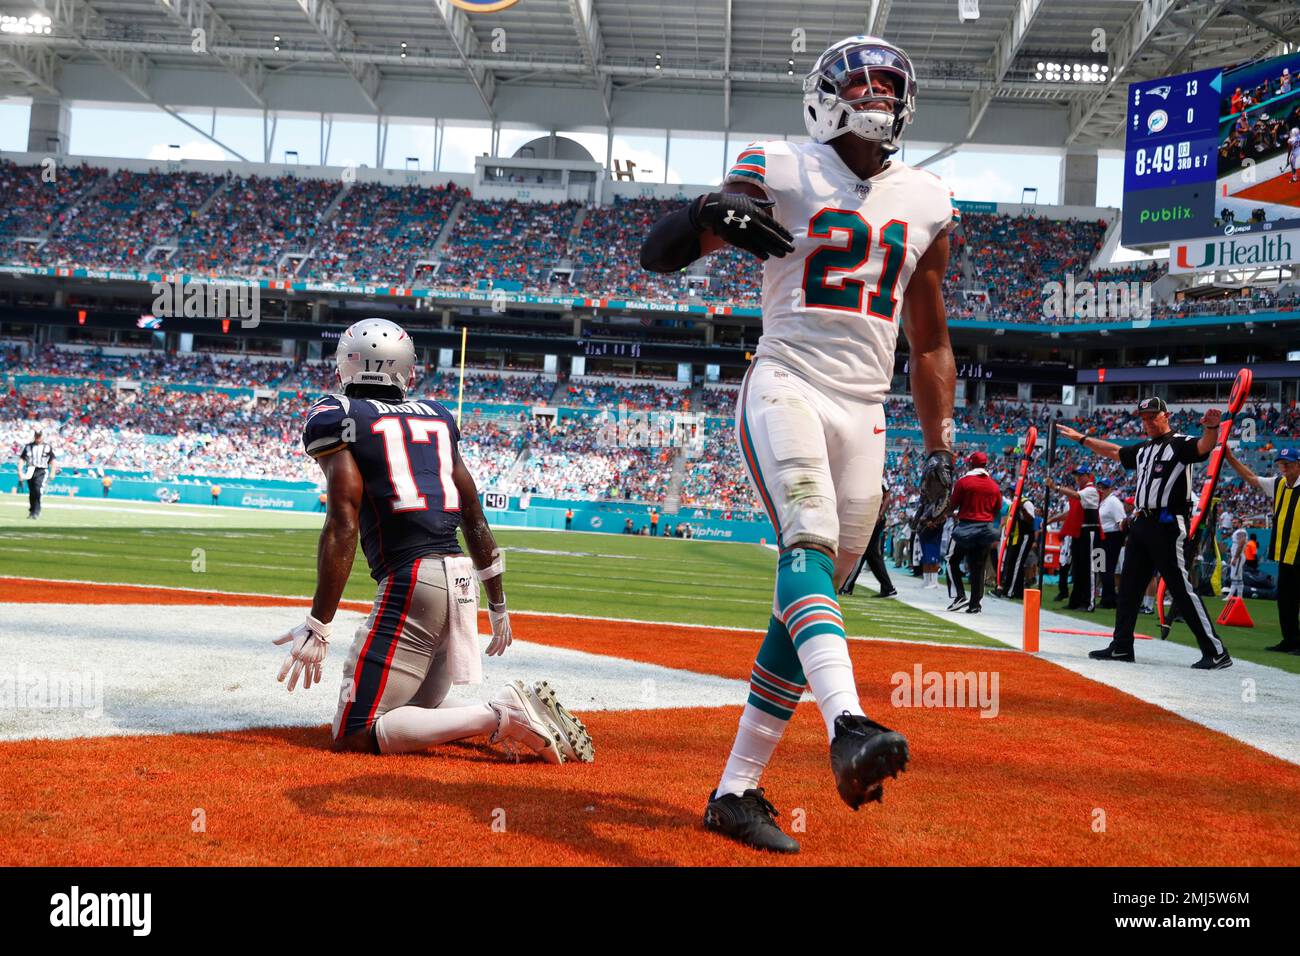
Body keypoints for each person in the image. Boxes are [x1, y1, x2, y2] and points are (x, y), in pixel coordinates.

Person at [642, 34, 955, 852]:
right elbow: (660, 256)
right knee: (807, 542)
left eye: (891, 86)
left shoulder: (927, 199)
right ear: (824, 97)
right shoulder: (779, 163)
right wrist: (705, 213)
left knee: (809, 593)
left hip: (868, 408)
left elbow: (929, 343)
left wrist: (941, 445)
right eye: (865, 84)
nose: (880, 97)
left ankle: (734, 793)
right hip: (787, 379)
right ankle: (847, 722)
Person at [273, 318, 594, 762]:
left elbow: (343, 521)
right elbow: (473, 515)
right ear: (407, 369)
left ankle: (501, 715)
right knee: (412, 711)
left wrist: (318, 624)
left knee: (355, 732)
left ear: (345, 366)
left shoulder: (338, 415)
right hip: (460, 579)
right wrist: (497, 601)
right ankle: (519, 715)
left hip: (413, 582)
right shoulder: (438, 417)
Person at [1056, 397, 1232, 669]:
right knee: (1128, 588)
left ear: (1166, 415)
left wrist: (1211, 429)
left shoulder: (1180, 443)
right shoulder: (1145, 449)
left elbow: (1203, 447)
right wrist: (1083, 439)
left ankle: (1216, 651)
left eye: (1153, 416)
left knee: (1180, 589)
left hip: (1167, 524)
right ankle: (1122, 646)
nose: (1148, 422)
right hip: (1141, 523)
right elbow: (1115, 452)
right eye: (1144, 418)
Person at [1223, 446, 1300, 653]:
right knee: (1285, 600)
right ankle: (1291, 640)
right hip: (1286, 553)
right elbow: (1252, 478)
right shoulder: (1279, 484)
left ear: (1298, 465)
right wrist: (1230, 457)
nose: (1284, 468)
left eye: (1288, 465)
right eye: (1281, 465)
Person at [942, 452, 1001, 614]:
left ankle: (959, 595)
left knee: (952, 560)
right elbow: (997, 508)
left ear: (971, 465)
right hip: (985, 528)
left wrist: (951, 514)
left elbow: (953, 505)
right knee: (978, 566)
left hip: (966, 526)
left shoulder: (964, 482)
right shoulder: (994, 486)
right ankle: (975, 604)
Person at [1047, 465, 1102, 612]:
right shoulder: (1082, 492)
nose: (1077, 478)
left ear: (1087, 476)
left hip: (1089, 530)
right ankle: (1076, 601)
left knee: (1089, 567)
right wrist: (1052, 520)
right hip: (1080, 531)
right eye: (1076, 475)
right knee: (1078, 568)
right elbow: (1071, 513)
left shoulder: (1090, 491)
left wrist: (1056, 487)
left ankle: (1089, 603)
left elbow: (1076, 497)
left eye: (1080, 475)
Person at [839, 478, 897, 598]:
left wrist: (880, 515)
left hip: (874, 518)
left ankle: (847, 586)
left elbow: (887, 496)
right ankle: (888, 588)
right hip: (866, 517)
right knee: (870, 553)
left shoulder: (877, 477)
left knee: (862, 550)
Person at [1097, 477, 1127, 609]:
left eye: (1104, 487)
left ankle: (1109, 599)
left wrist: (1121, 538)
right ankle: (1106, 597)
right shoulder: (1103, 502)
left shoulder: (1113, 502)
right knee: (1100, 568)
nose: (1101, 490)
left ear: (1110, 489)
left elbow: (1121, 522)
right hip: (1102, 536)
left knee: (1107, 568)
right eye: (1100, 487)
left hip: (1111, 536)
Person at [19, 429, 54, 519]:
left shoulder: (47, 447)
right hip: (30, 469)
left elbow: (52, 460)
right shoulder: (28, 447)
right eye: (36, 436)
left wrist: (53, 472)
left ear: (42, 437)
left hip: (41, 470)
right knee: (32, 491)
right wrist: (20, 471)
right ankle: (32, 510)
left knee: (37, 489)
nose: (38, 438)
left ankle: (37, 511)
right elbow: (22, 459)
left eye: (39, 436)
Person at [1226, 517, 1249, 599]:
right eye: (1233, 522)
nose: (1233, 524)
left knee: (1234, 576)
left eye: (1235, 523)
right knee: (1239, 578)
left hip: (1238, 557)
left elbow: (1241, 544)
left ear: (1240, 523)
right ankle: (1240, 596)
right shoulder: (1238, 531)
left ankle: (1230, 596)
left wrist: (1235, 558)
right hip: (1237, 556)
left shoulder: (1241, 531)